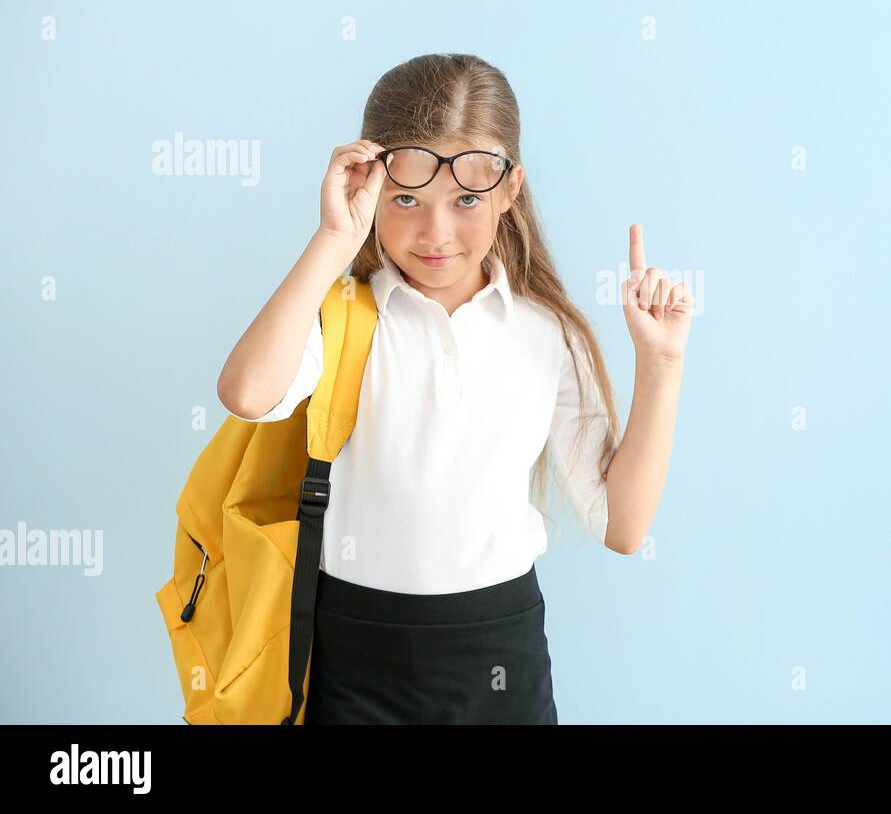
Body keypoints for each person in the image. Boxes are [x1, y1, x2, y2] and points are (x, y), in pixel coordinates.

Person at [215, 53, 692, 723]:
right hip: (353, 652)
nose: (435, 233)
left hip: (499, 651)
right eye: (406, 199)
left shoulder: (547, 333)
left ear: (509, 189)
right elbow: (247, 393)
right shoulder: (344, 317)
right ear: (370, 188)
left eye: (466, 200)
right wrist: (333, 237)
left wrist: (660, 365)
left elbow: (623, 525)